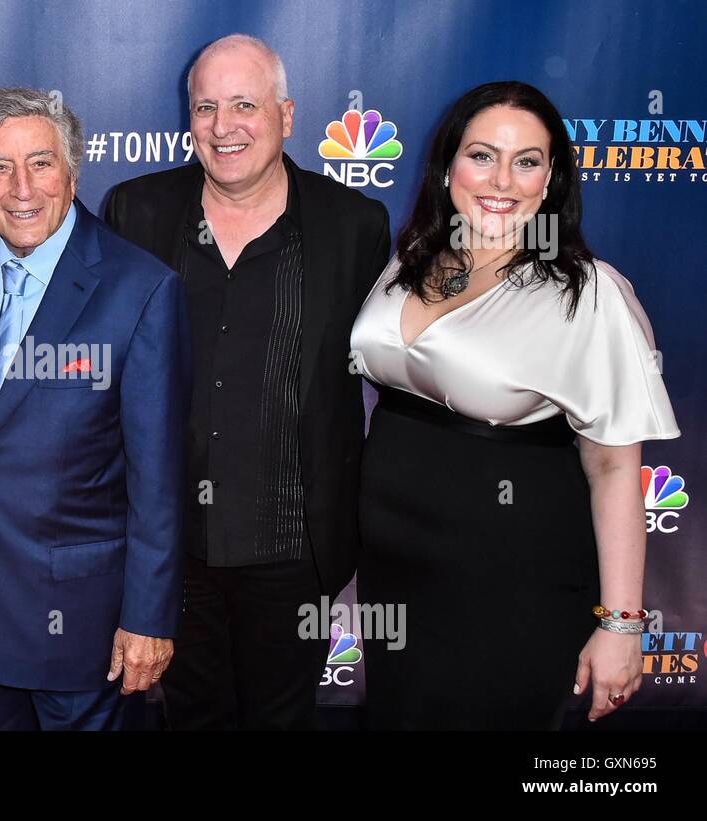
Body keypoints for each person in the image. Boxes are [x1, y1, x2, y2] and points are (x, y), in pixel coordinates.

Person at [349, 80, 679, 729]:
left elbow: (614, 468)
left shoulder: (586, 293)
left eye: (526, 160)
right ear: (447, 166)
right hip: (397, 573)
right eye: (482, 155)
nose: (502, 178)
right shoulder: (412, 260)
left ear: (551, 177)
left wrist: (621, 624)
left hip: (513, 578)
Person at [104, 34, 391, 729]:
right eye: (206, 107)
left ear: (286, 115)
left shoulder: (353, 224)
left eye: (244, 104)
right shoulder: (134, 213)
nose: (223, 126)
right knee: (189, 718)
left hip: (296, 550)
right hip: (173, 547)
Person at [0, 87, 190, 730]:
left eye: (40, 163)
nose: (22, 188)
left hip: (81, 622)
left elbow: (159, 478)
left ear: (72, 173)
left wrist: (148, 617)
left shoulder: (139, 288)